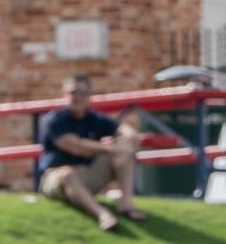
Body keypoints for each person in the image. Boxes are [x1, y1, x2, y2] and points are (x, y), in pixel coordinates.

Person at [39, 74, 146, 231]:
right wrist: (111, 148)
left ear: (89, 96)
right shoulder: (55, 119)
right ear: (64, 93)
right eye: (73, 92)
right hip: (56, 179)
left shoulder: (94, 118)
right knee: (68, 173)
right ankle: (102, 214)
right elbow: (75, 145)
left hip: (87, 175)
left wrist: (128, 140)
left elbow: (125, 130)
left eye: (82, 93)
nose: (77, 97)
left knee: (123, 152)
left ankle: (126, 204)